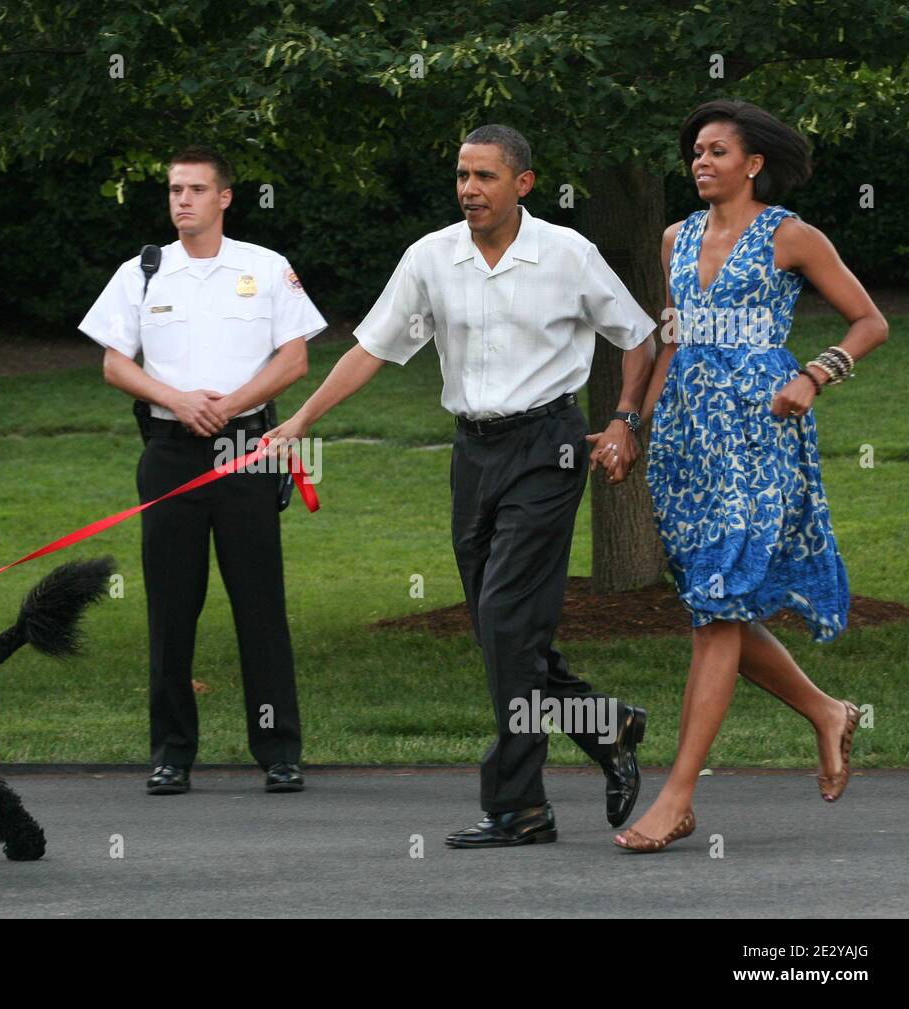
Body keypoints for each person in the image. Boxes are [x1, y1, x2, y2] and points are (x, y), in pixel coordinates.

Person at [265, 125, 658, 847]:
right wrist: (298, 422)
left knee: (507, 620)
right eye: (461, 176)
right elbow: (371, 350)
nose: (469, 189)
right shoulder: (431, 258)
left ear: (523, 184)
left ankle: (518, 805)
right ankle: (607, 726)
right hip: (473, 454)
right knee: (499, 631)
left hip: (549, 448)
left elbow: (638, 335)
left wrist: (627, 419)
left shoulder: (567, 254)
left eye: (484, 176)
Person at [605, 100, 888, 852]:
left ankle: (677, 796)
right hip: (685, 439)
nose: (701, 161)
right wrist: (633, 422)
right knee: (714, 601)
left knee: (719, 604)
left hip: (759, 430)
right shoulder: (677, 236)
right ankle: (829, 711)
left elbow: (870, 320)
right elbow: (672, 338)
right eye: (695, 151)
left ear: (752, 163)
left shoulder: (791, 235)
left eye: (717, 151)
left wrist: (819, 372)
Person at [79, 146, 327, 795]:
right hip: (169, 452)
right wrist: (177, 399)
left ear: (224, 198)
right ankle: (171, 753)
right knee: (171, 608)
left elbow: (294, 359)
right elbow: (113, 364)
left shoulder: (265, 267)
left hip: (244, 449)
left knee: (259, 605)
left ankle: (279, 750)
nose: (181, 200)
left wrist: (230, 405)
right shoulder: (142, 271)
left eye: (194, 189)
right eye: (173, 189)